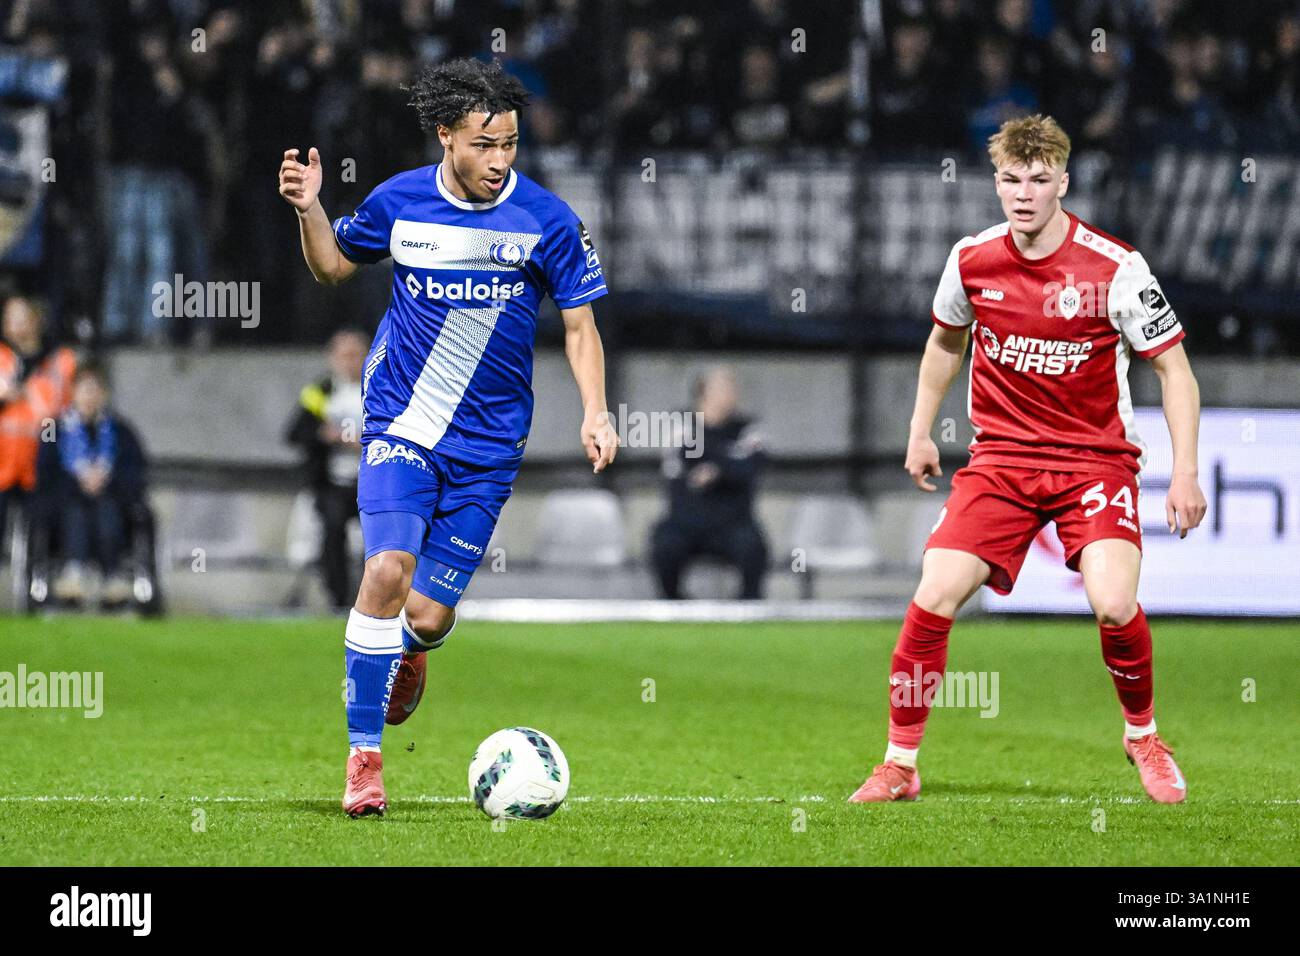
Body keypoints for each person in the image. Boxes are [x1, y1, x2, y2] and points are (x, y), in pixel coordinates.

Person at [278, 57, 619, 818]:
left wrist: (595, 410)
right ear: (445, 136)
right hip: (401, 422)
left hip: (490, 446)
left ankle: (412, 652)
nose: (501, 161)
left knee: (425, 617)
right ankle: (364, 760)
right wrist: (310, 209)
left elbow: (579, 324)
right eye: (485, 144)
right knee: (385, 572)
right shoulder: (400, 200)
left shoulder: (548, 220)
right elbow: (334, 266)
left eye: (511, 145)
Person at [850, 115, 1206, 805]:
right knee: (935, 592)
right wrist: (920, 430)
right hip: (1002, 461)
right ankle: (899, 765)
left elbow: (1176, 370)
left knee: (1111, 604)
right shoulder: (973, 259)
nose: (1024, 194)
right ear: (996, 183)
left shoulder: (1116, 269)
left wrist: (1185, 470)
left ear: (1063, 183)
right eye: (1012, 180)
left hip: (1093, 462)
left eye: (1040, 180)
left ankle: (1144, 738)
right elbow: (944, 345)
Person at [650, 366, 769, 600]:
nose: (731, 393)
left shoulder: (748, 429)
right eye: (723, 388)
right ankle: (674, 605)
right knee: (664, 544)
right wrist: (730, 460)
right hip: (686, 522)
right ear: (703, 392)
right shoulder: (679, 423)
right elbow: (681, 457)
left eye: (732, 388)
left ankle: (749, 609)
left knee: (754, 546)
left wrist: (716, 469)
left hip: (734, 523)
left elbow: (753, 467)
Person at [42, 364, 148, 607]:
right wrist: (78, 480)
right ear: (73, 392)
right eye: (84, 389)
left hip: (110, 498)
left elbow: (135, 470)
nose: (90, 396)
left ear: (105, 394)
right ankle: (73, 572)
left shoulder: (121, 430)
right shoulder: (53, 428)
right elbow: (45, 470)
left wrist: (105, 480)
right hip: (67, 501)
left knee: (107, 510)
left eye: (95, 389)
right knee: (75, 511)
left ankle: (113, 575)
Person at [285, 328, 367, 611]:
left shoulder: (378, 388)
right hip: (333, 482)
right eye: (344, 355)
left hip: (372, 481)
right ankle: (340, 599)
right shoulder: (320, 391)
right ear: (332, 358)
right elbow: (295, 433)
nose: (350, 362)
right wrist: (325, 434)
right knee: (332, 529)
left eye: (356, 355)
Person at [0, 296, 76, 542]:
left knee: (39, 534)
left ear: (37, 320)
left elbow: (67, 414)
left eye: (21, 318)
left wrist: (47, 442)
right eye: (9, 319)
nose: (15, 326)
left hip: (40, 463)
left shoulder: (61, 360)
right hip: (3, 460)